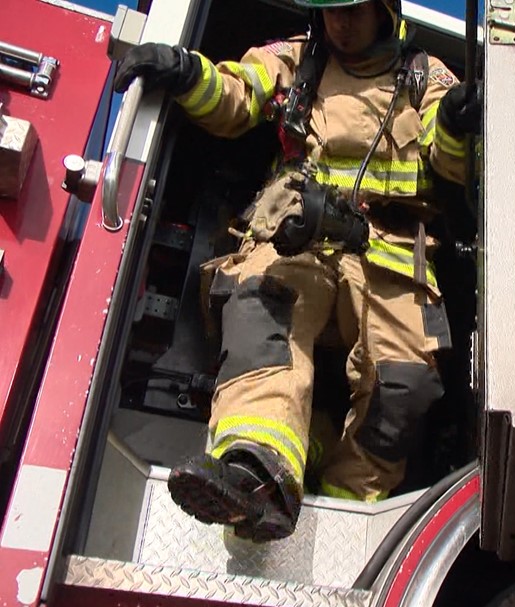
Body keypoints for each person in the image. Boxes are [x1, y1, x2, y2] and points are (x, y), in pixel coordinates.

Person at [112, 0, 482, 542]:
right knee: (261, 309)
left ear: (385, 11)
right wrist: (188, 71)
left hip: (393, 256)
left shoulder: (427, 76)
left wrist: (453, 121)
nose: (340, 22)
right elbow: (236, 98)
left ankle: (345, 519)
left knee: (404, 388)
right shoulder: (297, 57)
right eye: (331, 10)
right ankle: (253, 477)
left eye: (354, 9)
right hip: (298, 234)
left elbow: (450, 159)